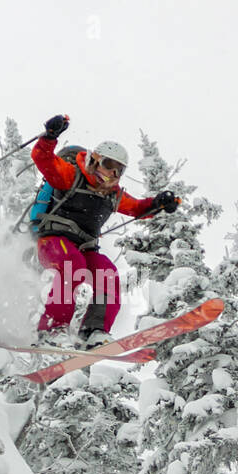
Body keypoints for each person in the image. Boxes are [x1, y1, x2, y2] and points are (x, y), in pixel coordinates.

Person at [31, 114, 179, 348]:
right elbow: (43, 160)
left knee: (107, 274)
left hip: (84, 247)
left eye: (119, 170)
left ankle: (94, 331)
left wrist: (158, 204)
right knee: (73, 265)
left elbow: (137, 208)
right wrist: (50, 136)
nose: (112, 174)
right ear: (94, 160)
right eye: (109, 165)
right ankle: (51, 329)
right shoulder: (71, 176)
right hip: (53, 241)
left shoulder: (112, 195)